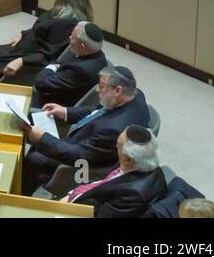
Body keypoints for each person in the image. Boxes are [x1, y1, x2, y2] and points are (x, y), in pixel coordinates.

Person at [20, 66, 152, 194]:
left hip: (82, 166)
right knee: (40, 143)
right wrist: (65, 111)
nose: (96, 90)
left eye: (102, 86)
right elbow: (97, 111)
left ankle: (19, 195)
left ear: (117, 90)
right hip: (88, 143)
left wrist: (43, 137)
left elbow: (78, 156)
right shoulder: (134, 95)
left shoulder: (112, 130)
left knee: (35, 157)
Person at [0, 0, 93, 82]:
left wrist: (21, 60)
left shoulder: (67, 24)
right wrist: (23, 34)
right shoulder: (63, 11)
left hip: (29, 56)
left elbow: (49, 55)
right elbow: (42, 27)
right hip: (25, 47)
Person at [65, 125, 166, 218]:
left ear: (128, 160)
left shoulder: (132, 195)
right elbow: (104, 180)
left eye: (118, 144)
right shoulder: (141, 162)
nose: (116, 147)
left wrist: (65, 207)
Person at [31, 21, 108, 109]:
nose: (69, 37)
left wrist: (51, 67)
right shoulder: (96, 53)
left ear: (82, 46)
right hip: (62, 84)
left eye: (72, 36)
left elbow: (41, 84)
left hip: (49, 105)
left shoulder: (81, 70)